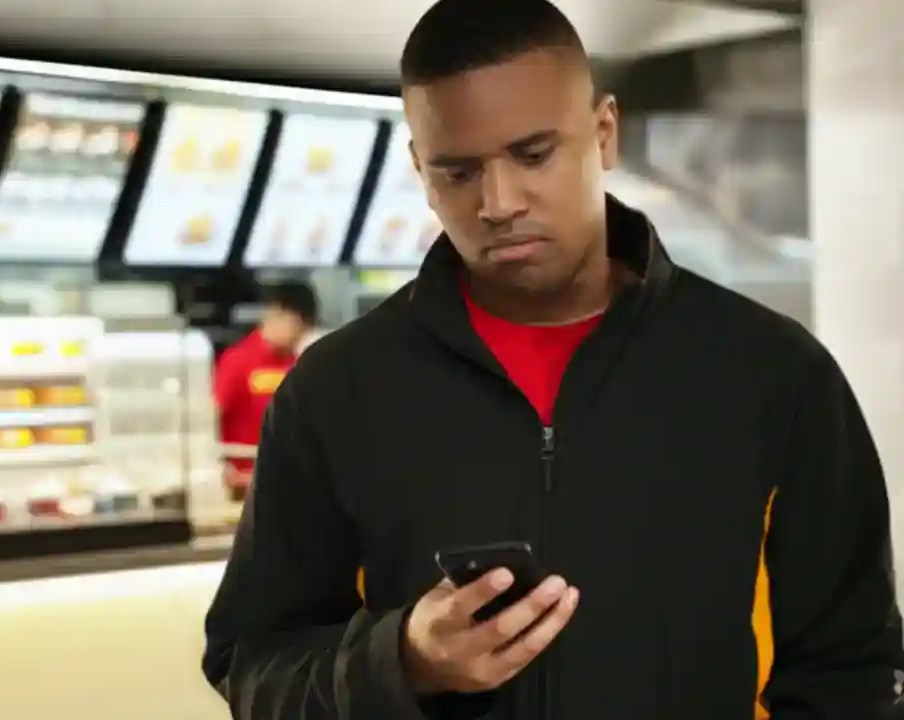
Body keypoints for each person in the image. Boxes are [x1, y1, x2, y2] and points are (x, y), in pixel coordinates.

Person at [202, 1, 902, 718]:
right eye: (458, 172)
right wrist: (401, 661)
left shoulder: (773, 375)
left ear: (604, 132)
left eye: (533, 154)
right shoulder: (335, 393)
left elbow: (852, 673)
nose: (499, 202)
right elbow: (252, 665)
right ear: (419, 168)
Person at [213, 282, 317, 498]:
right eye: (299, 327)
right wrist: (220, 467)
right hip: (242, 488)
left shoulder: (296, 367)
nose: (300, 337)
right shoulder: (237, 361)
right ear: (277, 313)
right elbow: (212, 416)